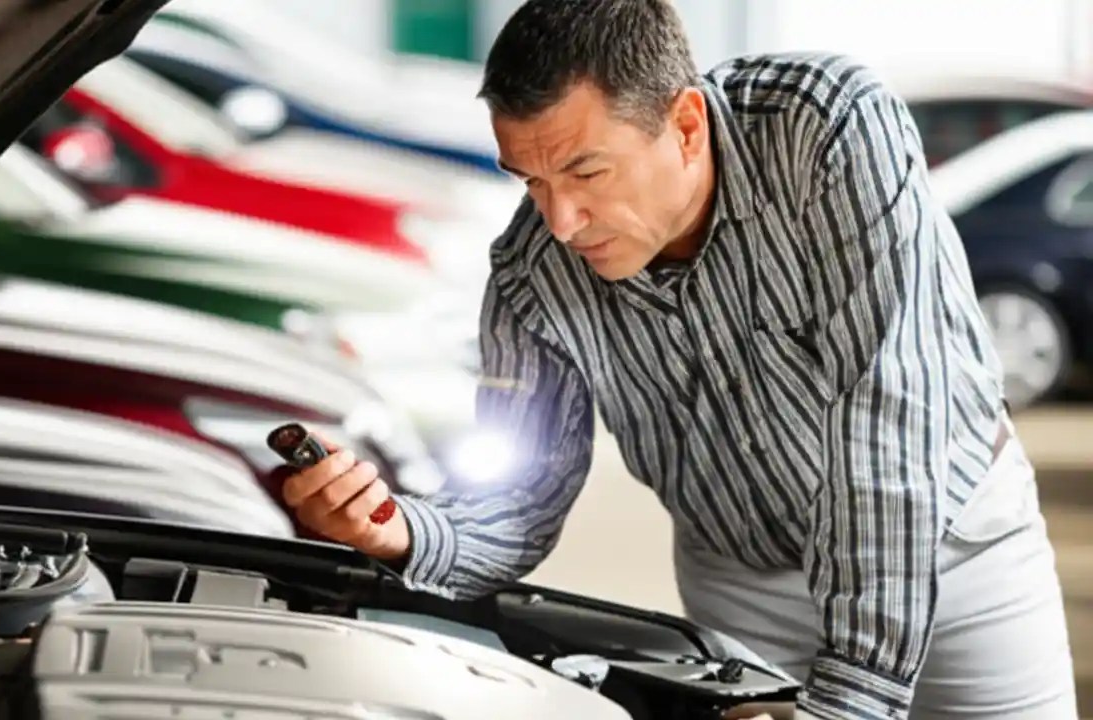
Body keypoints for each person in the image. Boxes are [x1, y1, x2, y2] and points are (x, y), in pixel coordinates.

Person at [277, 1, 1078, 718]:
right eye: (531, 181)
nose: (561, 221)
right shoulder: (531, 273)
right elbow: (519, 495)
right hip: (744, 581)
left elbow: (887, 415)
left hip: (951, 543)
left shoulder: (828, 130)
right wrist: (398, 532)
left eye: (587, 171)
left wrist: (850, 700)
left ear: (687, 125)